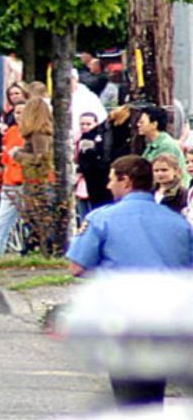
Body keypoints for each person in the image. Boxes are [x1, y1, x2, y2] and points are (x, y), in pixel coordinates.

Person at [66, 155, 193, 407]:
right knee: (154, 385)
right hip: (169, 315)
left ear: (126, 181)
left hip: (124, 314)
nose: (108, 186)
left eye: (112, 179)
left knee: (128, 389)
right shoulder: (179, 223)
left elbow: (77, 266)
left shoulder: (102, 218)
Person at [0, 101, 26, 256]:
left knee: (39, 226)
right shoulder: (11, 132)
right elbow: (5, 160)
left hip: (29, 184)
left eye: (23, 112)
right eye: (17, 113)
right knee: (0, 226)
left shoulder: (35, 135)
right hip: (10, 184)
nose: (20, 116)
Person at [138, 104, 191, 187]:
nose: (138, 125)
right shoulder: (152, 144)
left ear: (154, 124)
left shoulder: (166, 145)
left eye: (142, 122)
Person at [75, 112, 114, 218]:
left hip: (97, 181)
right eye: (82, 124)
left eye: (88, 124)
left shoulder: (100, 138)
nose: (84, 127)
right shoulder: (78, 138)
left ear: (96, 123)